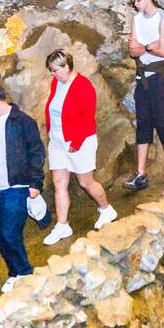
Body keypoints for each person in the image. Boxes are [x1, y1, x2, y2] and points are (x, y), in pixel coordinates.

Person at [0, 81, 46, 293]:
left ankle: (25, 271)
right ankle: (14, 272)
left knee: (10, 233)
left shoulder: (23, 122)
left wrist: (36, 183)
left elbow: (36, 153)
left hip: (17, 186)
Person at [41, 49, 118, 246]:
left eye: (56, 70)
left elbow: (86, 119)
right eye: (51, 70)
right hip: (58, 141)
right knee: (59, 183)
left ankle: (106, 208)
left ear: (67, 66)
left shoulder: (83, 86)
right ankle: (62, 224)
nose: (53, 74)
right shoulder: (56, 83)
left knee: (86, 182)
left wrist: (75, 143)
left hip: (79, 141)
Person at [122, 0, 164, 191]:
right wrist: (150, 46)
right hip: (143, 76)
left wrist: (144, 47)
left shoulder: (162, 18)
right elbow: (132, 51)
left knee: (163, 121)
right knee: (144, 122)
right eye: (134, 0)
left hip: (159, 76)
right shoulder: (137, 19)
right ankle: (140, 173)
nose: (135, 4)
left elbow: (163, 50)